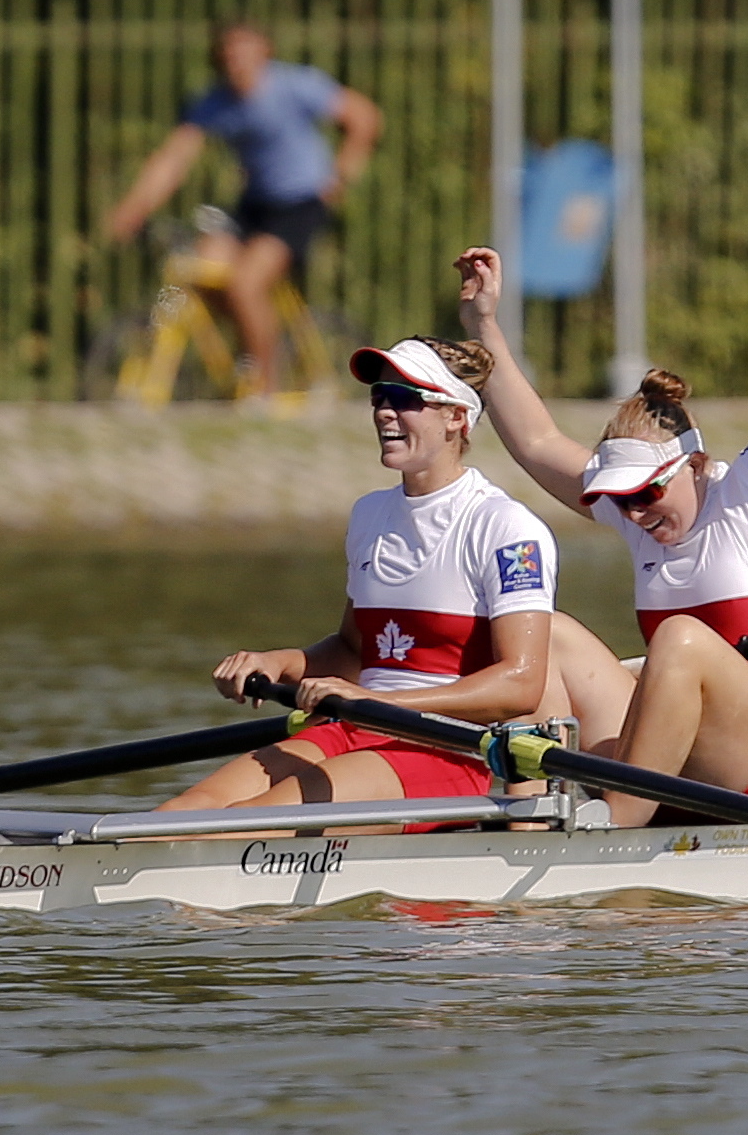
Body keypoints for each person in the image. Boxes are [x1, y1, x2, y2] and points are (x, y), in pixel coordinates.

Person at [453, 179, 748, 825]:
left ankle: (611, 827)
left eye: (647, 494)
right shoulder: (640, 517)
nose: (635, 512)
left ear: (694, 466)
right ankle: (523, 817)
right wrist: (483, 327)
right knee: (547, 634)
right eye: (622, 501)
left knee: (681, 641)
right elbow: (533, 439)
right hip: (679, 763)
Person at [159, 337, 558, 814]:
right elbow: (353, 652)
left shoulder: (506, 529)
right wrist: (277, 662)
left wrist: (377, 702)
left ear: (457, 417)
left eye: (407, 399)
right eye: (380, 396)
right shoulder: (370, 514)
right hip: (352, 726)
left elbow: (520, 685)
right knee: (185, 811)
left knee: (245, 822)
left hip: (441, 750)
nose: (386, 411)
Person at [104, 22, 383, 397]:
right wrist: (132, 210)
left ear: (264, 51)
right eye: (228, 54)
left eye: (244, 51)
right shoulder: (215, 102)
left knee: (245, 283)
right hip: (255, 205)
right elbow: (173, 160)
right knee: (204, 264)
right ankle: (250, 348)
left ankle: (265, 388)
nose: (236, 62)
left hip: (300, 203)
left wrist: (339, 179)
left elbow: (364, 118)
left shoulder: (295, 85)